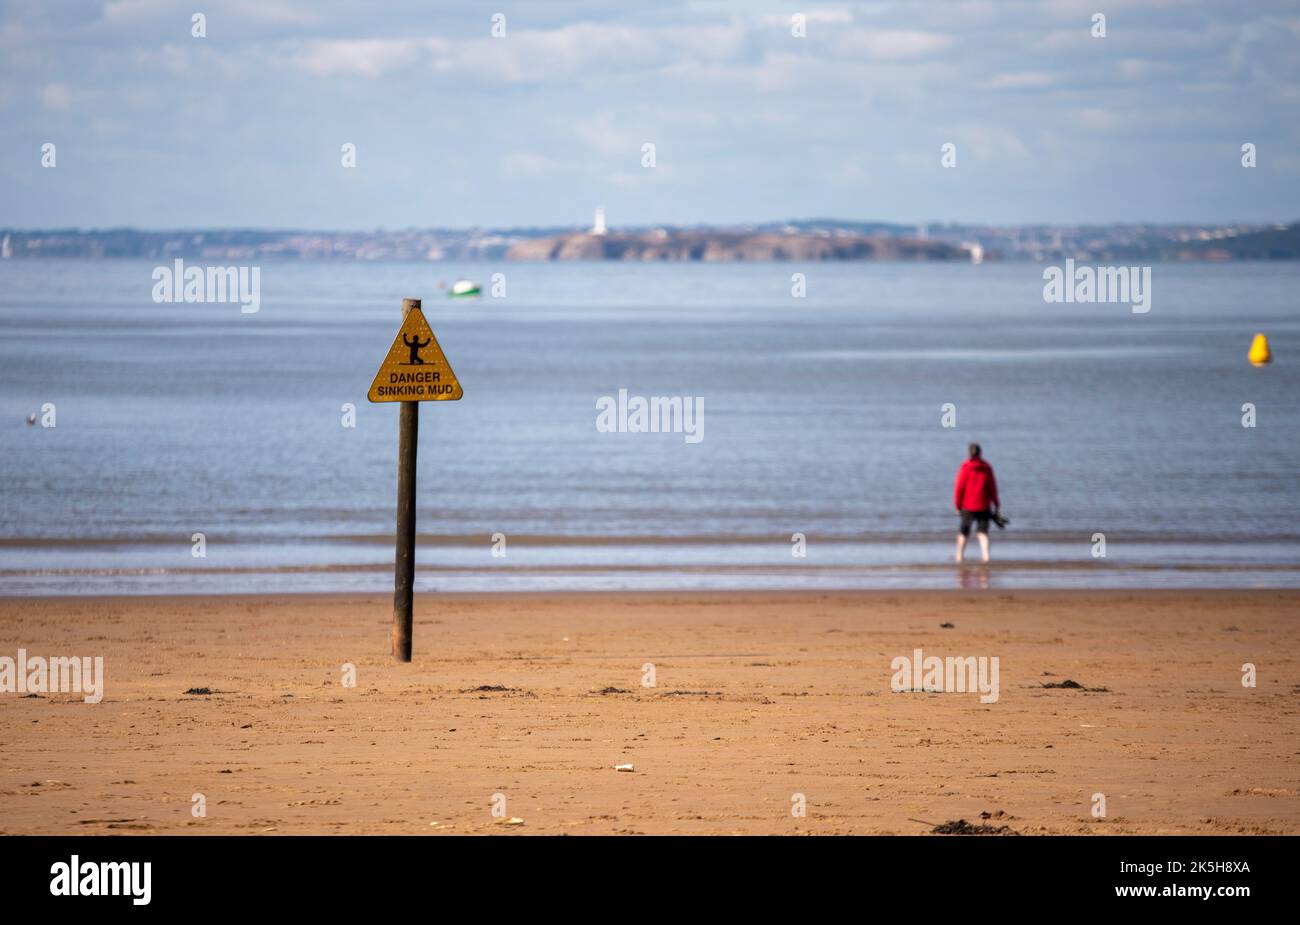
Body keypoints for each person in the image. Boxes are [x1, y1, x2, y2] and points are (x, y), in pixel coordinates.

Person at [953, 443, 999, 563]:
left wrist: (957, 505)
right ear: (980, 453)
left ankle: (959, 557)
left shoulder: (965, 467)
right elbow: (992, 487)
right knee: (983, 533)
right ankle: (986, 557)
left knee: (964, 532)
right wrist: (996, 504)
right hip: (984, 504)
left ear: (969, 453)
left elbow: (959, 488)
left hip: (968, 506)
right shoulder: (986, 467)